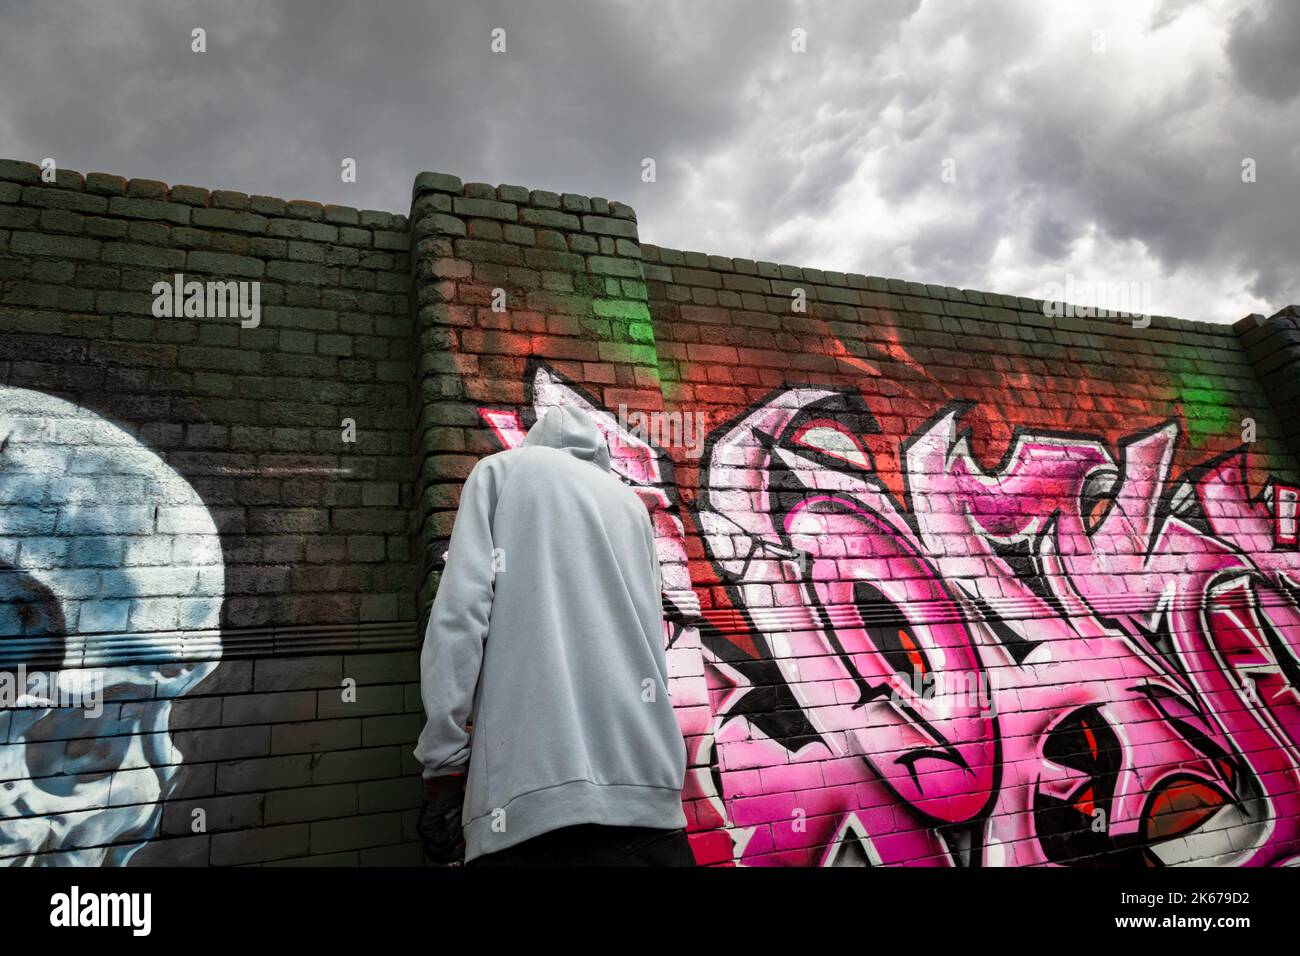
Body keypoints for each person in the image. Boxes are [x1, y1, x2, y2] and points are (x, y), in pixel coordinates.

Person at [414, 403, 695, 867]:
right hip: (650, 805)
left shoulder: (499, 474)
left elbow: (459, 617)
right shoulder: (630, 506)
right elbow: (652, 642)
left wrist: (442, 759)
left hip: (527, 806)